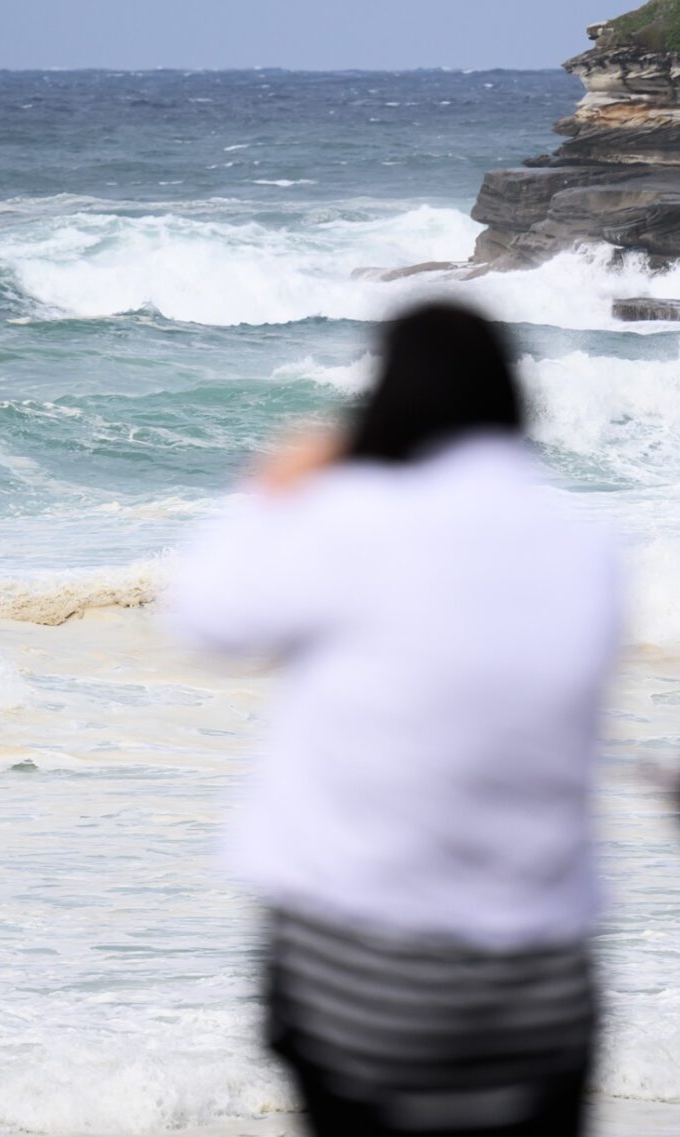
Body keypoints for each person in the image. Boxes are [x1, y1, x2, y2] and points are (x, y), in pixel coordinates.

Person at [164, 301, 622, 1137]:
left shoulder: (357, 520)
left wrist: (274, 486)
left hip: (364, 971)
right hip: (543, 974)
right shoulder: (585, 545)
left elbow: (206, 617)